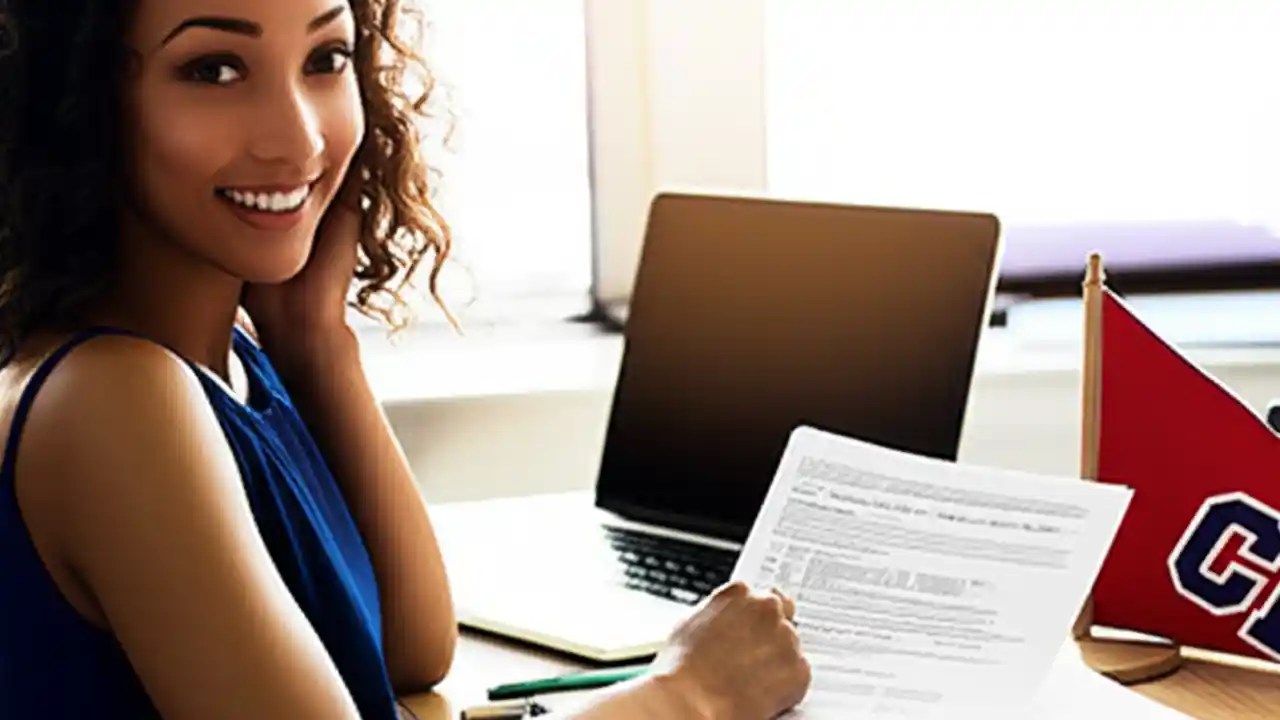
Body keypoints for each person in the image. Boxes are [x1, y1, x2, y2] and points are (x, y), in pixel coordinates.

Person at [0, 1, 811, 718]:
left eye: (327, 59)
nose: (300, 136)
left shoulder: (229, 359)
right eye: (213, 69)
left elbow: (410, 648)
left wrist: (318, 342)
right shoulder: (113, 397)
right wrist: (689, 694)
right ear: (80, 102)